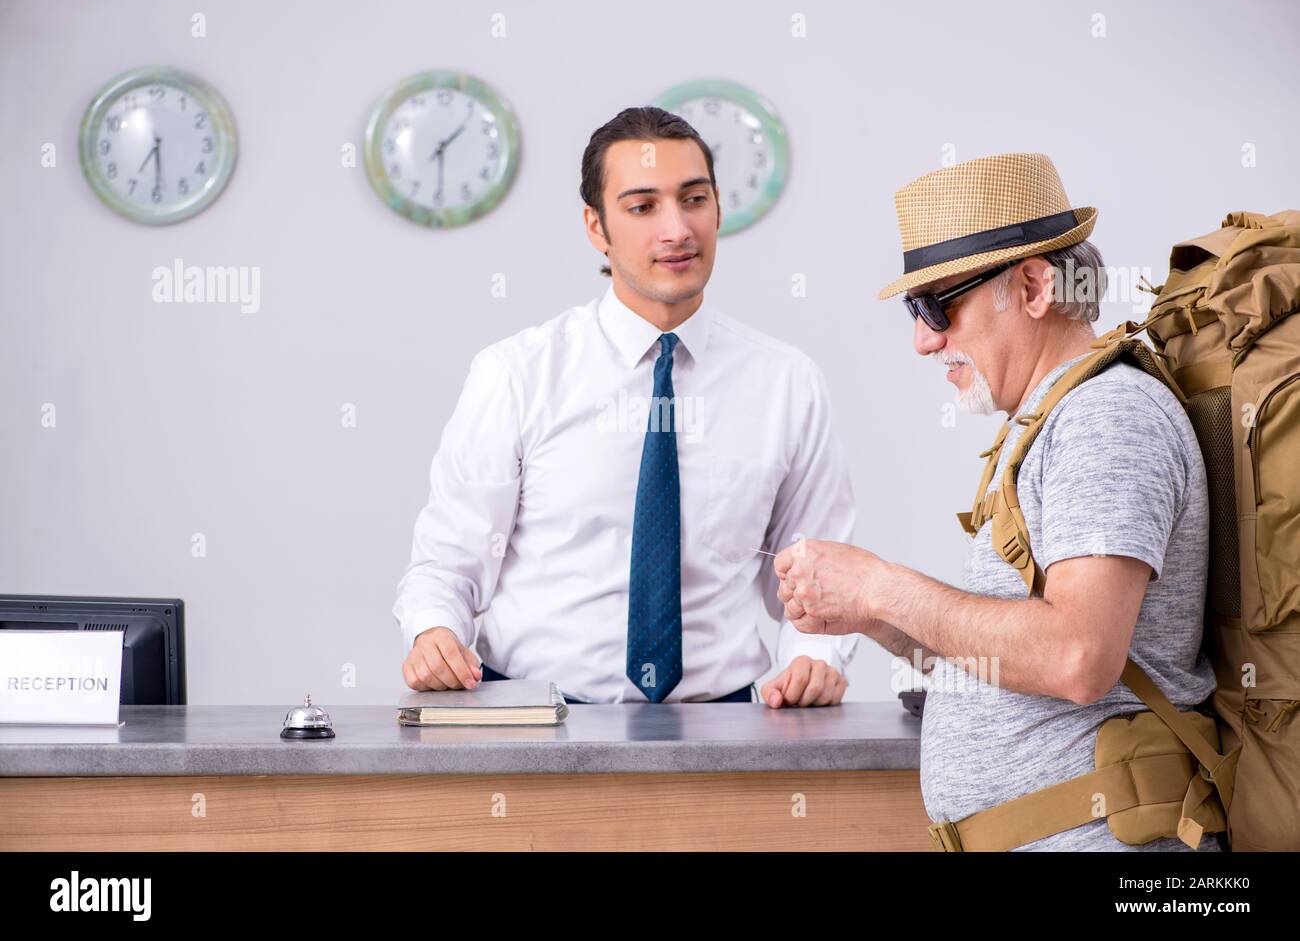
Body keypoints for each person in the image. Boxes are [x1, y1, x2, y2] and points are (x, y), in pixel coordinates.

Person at [773, 153, 1218, 849]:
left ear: (1034, 286)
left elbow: (1077, 656)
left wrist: (883, 587)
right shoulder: (1047, 423)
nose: (923, 340)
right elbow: (1006, 656)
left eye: (937, 305)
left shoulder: (1107, 415)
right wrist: (868, 612)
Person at [393, 106, 858, 706]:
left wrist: (814, 658)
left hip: (727, 726)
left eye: (694, 200)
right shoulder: (515, 375)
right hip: (535, 722)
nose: (677, 229)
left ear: (718, 208)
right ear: (597, 226)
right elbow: (448, 565)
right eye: (643, 207)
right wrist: (434, 632)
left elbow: (814, 574)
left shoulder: (787, 383)